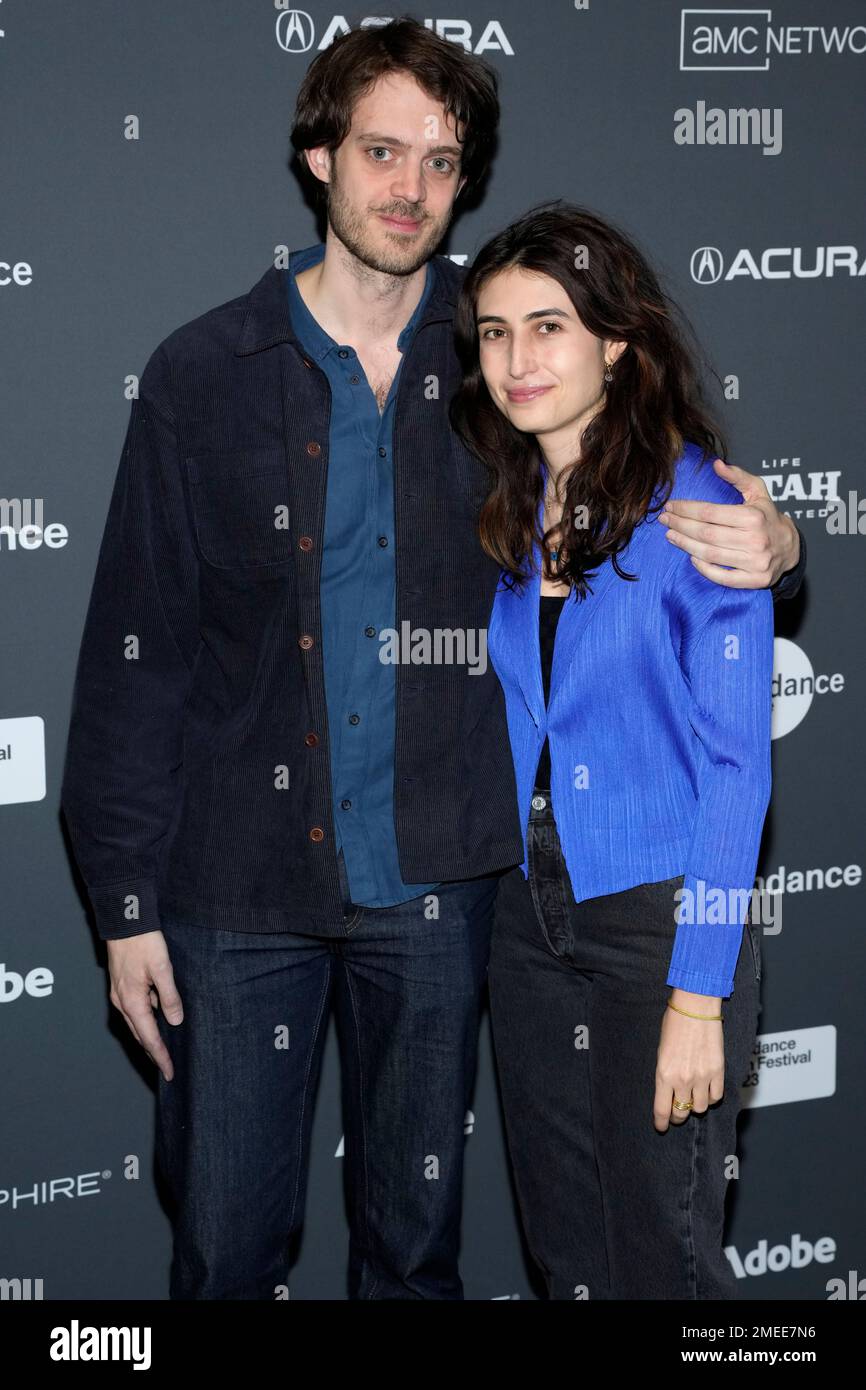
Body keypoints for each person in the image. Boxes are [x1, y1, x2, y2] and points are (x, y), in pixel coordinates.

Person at [60, 19, 804, 1301]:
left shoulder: (497, 376)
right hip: (237, 897)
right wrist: (126, 903)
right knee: (224, 1249)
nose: (408, 186)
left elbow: (662, 500)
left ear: (466, 183)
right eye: (380, 150)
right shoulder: (199, 375)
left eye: (442, 161)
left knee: (418, 1257)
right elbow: (138, 659)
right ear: (318, 159)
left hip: (443, 890)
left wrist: (779, 541)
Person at [450, 200, 776, 1300]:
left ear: (613, 339)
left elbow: (738, 770)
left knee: (663, 1258)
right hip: (527, 914)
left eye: (548, 326)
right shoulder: (510, 500)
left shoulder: (699, 511)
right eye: (493, 332)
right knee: (567, 1254)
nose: (516, 358)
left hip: (658, 915)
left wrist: (698, 994)